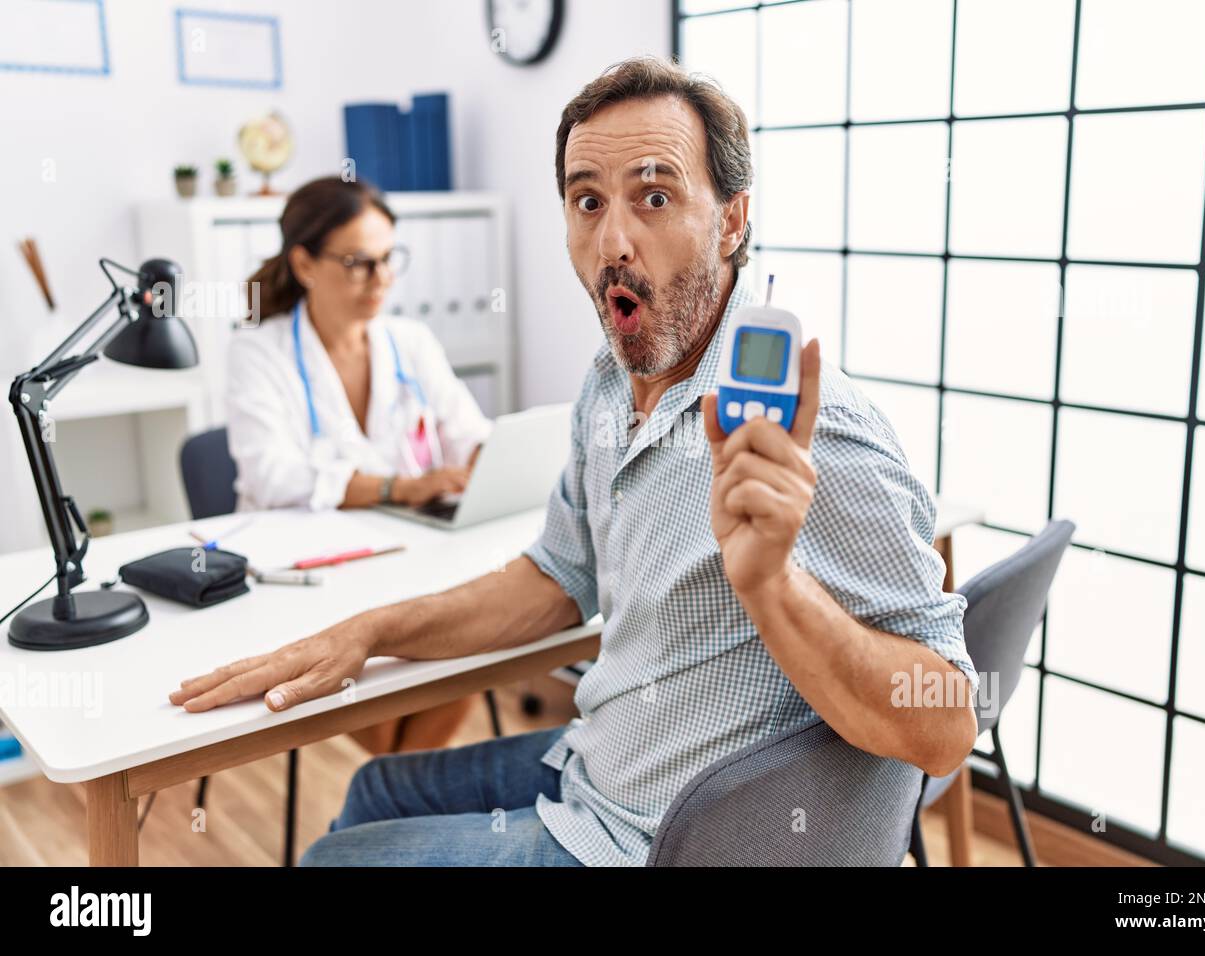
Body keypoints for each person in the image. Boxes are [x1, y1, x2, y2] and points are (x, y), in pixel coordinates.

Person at [171, 56, 979, 867]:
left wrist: (773, 585)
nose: (612, 240)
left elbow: (945, 727)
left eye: (655, 198)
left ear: (732, 221)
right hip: (601, 762)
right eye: (587, 201)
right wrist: (372, 631)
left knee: (331, 863)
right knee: (376, 790)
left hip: (665, 839)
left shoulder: (811, 428)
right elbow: (559, 576)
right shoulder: (607, 387)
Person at [226, 176, 491, 754]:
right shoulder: (258, 352)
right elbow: (272, 476)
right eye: (359, 263)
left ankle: (398, 801)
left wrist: (486, 460)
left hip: (407, 553)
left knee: (472, 638)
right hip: (303, 568)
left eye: (389, 259)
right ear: (304, 264)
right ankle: (403, 798)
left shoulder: (410, 341)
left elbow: (469, 432)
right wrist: (401, 485)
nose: (383, 279)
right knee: (383, 682)